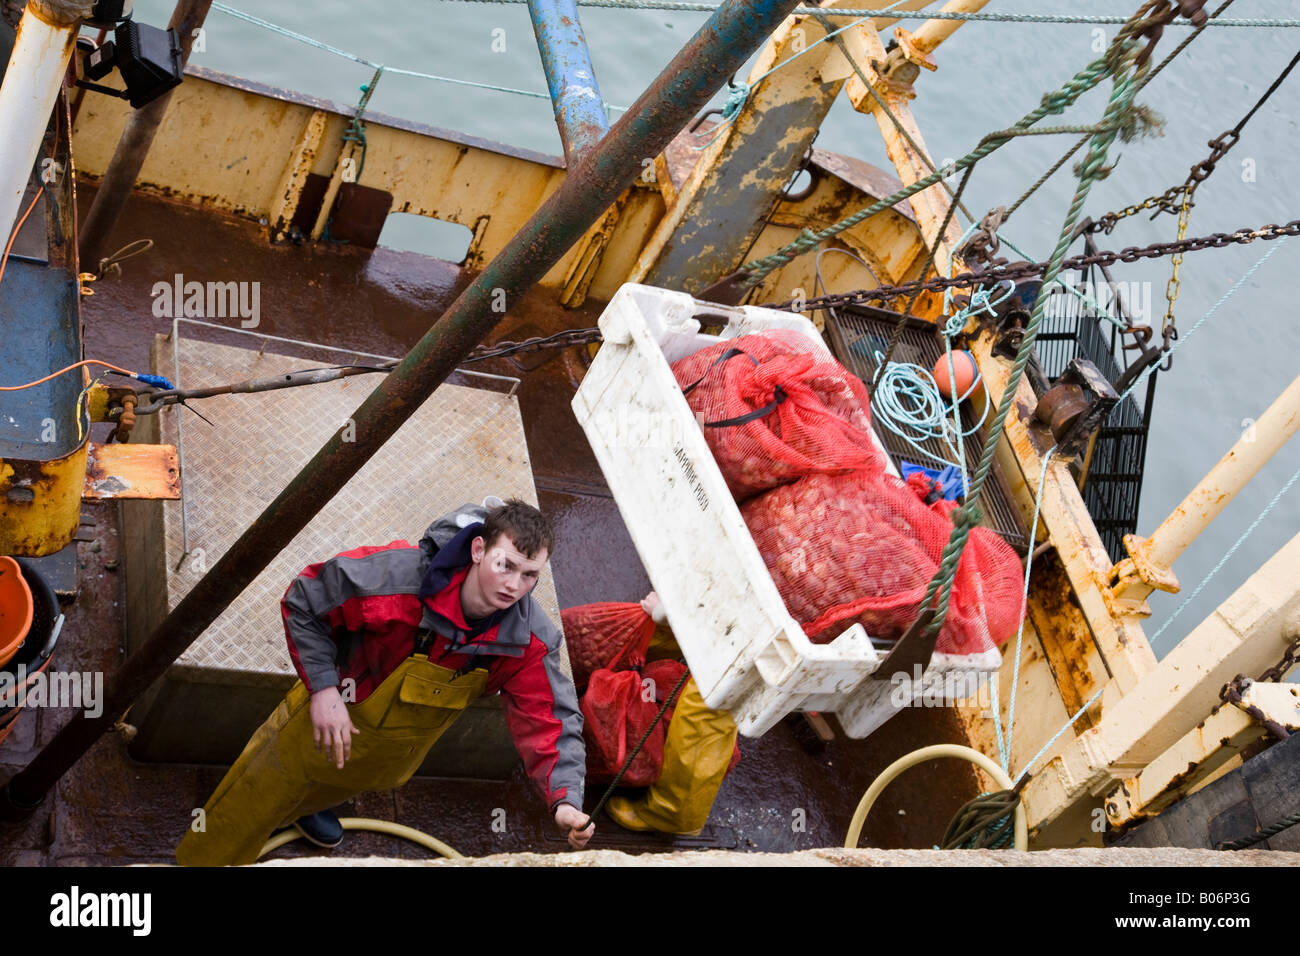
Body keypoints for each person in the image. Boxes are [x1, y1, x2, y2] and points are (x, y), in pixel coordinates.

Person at [176, 497, 592, 866]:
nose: (514, 586)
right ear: (479, 550)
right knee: (250, 805)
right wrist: (323, 691)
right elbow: (305, 600)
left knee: (327, 790)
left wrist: (566, 799)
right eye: (507, 566)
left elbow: (551, 716)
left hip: (387, 756)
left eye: (529, 575)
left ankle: (301, 811)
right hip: (320, 723)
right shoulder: (395, 580)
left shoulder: (527, 639)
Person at [603, 591, 738, 836]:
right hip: (728, 601)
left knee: (713, 694)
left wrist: (674, 614)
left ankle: (670, 813)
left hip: (752, 631)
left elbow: (742, 633)